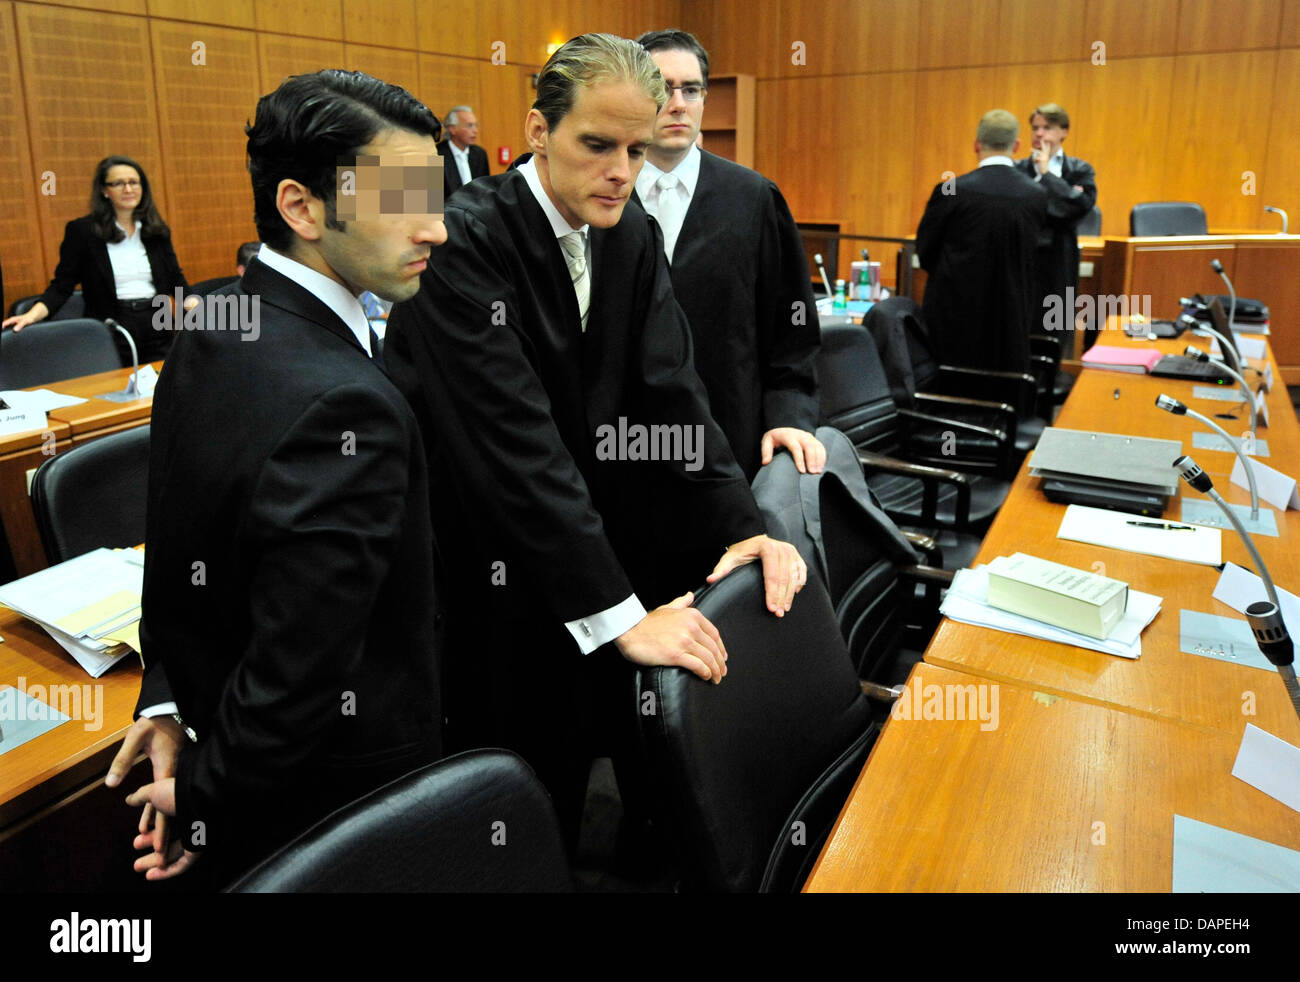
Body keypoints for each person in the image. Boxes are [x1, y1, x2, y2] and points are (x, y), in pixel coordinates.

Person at [384, 33, 806, 848]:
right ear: (538, 131)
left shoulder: (629, 229)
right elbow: (514, 442)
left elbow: (674, 389)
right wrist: (617, 615)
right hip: (487, 562)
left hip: (587, 544)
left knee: (582, 761)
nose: (621, 170)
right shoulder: (464, 238)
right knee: (511, 791)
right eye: (597, 144)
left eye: (636, 150)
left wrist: (741, 525)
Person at [104, 69, 447, 886]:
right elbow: (301, 673)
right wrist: (205, 801)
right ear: (302, 207)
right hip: (329, 801)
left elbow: (178, 558)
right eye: (402, 199)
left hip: (231, 747)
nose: (435, 227)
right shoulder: (347, 404)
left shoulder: (212, 326)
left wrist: (167, 700)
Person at [635, 29, 823, 481]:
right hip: (625, 441)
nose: (678, 104)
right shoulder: (602, 196)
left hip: (729, 436)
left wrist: (789, 416)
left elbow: (791, 327)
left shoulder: (753, 197)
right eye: (661, 89)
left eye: (691, 90)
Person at [2, 156, 189, 363]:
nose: (128, 189)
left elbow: (175, 279)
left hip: (157, 322)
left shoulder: (156, 231)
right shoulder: (83, 232)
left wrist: (199, 310)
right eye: (118, 183)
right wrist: (31, 316)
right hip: (111, 326)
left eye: (134, 182)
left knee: (164, 378)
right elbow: (62, 286)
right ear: (104, 190)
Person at [915, 109, 1046, 374]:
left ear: (976, 144)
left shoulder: (951, 188)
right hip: (1010, 317)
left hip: (954, 315)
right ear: (1016, 146)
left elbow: (926, 251)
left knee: (951, 387)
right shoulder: (1037, 194)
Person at [1014, 103, 1098, 335]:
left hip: (1059, 255)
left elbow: (1079, 208)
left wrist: (1046, 175)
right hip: (1024, 252)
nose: (1039, 133)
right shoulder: (1017, 169)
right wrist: (1065, 197)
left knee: (1056, 325)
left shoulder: (1080, 170)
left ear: (1064, 131)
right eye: (1035, 128)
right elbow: (1019, 211)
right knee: (1020, 323)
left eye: (1047, 127)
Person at [437, 104, 489, 199]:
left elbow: (485, 189)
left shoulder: (480, 154)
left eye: (476, 125)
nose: (475, 131)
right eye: (469, 126)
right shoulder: (437, 154)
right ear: (452, 129)